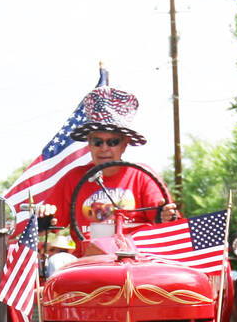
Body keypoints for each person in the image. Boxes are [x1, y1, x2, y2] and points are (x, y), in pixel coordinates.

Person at [37, 87, 180, 236]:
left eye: (113, 142)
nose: (104, 148)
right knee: (58, 260)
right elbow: (49, 225)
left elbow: (167, 220)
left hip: (138, 256)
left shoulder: (142, 175)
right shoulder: (74, 178)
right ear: (89, 144)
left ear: (125, 144)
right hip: (89, 257)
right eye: (97, 142)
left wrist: (165, 215)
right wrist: (44, 217)